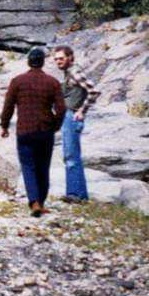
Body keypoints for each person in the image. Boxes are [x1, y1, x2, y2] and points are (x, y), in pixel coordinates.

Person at [1, 47, 66, 216]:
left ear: (28, 62)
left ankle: (34, 201)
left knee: (28, 166)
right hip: (45, 130)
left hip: (25, 130)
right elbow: (61, 108)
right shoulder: (52, 82)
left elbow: (8, 106)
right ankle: (41, 202)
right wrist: (56, 125)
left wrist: (4, 126)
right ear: (43, 62)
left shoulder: (17, 81)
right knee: (43, 167)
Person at [52, 45, 99, 202]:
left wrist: (82, 111)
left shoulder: (75, 72)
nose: (58, 61)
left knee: (71, 156)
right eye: (56, 59)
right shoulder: (68, 73)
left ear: (70, 57)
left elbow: (93, 91)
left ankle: (76, 195)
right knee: (70, 155)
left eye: (61, 58)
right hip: (68, 116)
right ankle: (77, 194)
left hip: (72, 117)